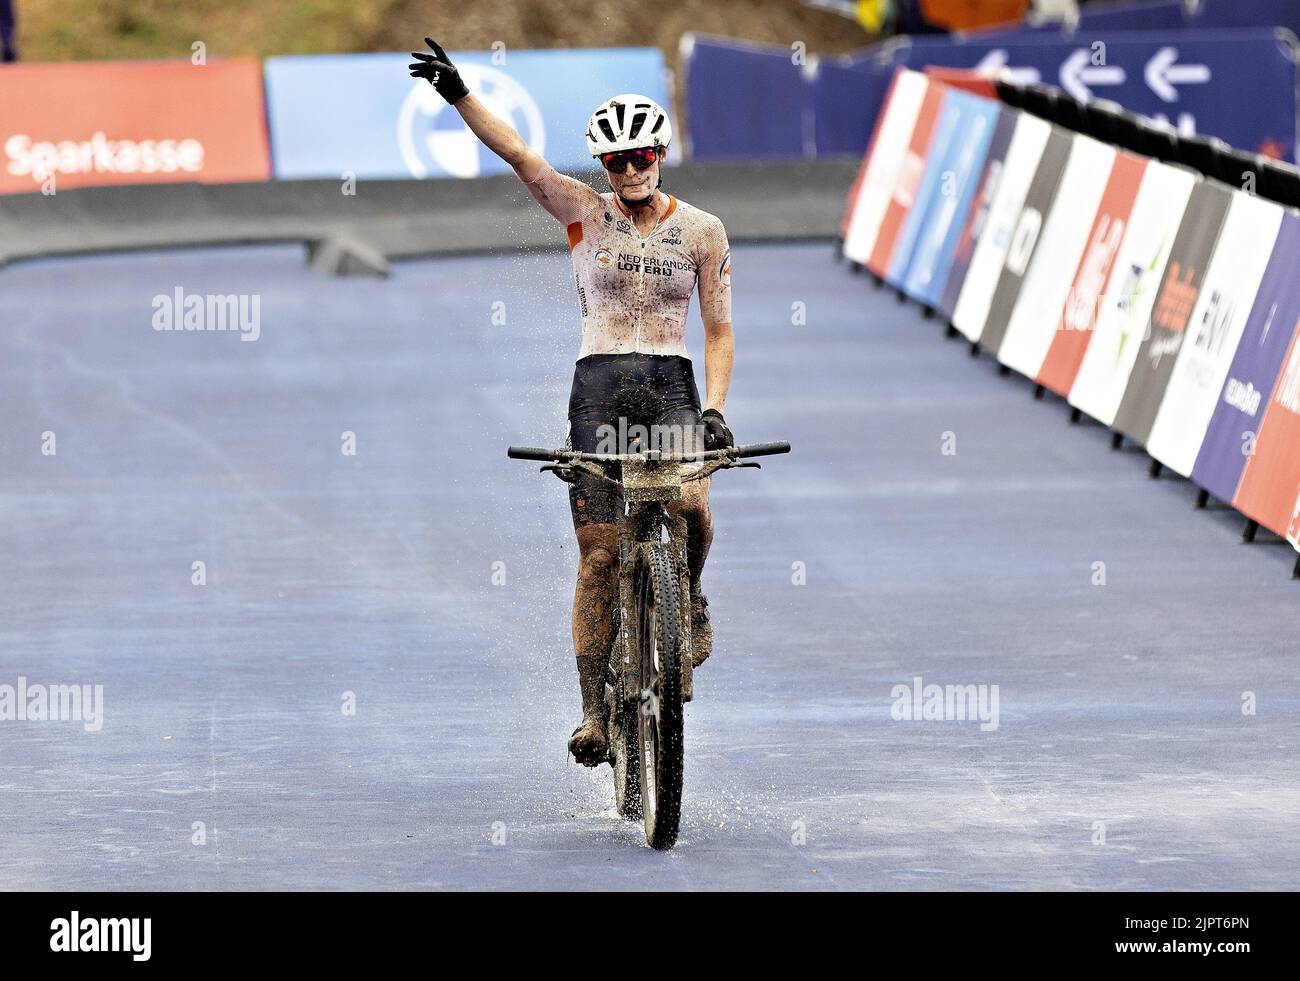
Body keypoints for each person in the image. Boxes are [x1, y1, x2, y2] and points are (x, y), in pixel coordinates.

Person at [409, 38, 736, 766]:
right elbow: (520, 154)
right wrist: (459, 93)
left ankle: (693, 596)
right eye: (616, 161)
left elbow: (719, 332)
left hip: (671, 388)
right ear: (603, 165)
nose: (629, 169)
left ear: (659, 154)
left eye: (641, 156)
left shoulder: (703, 232)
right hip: (599, 390)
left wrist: (713, 406)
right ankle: (595, 711)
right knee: (598, 559)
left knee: (693, 507)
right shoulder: (583, 213)